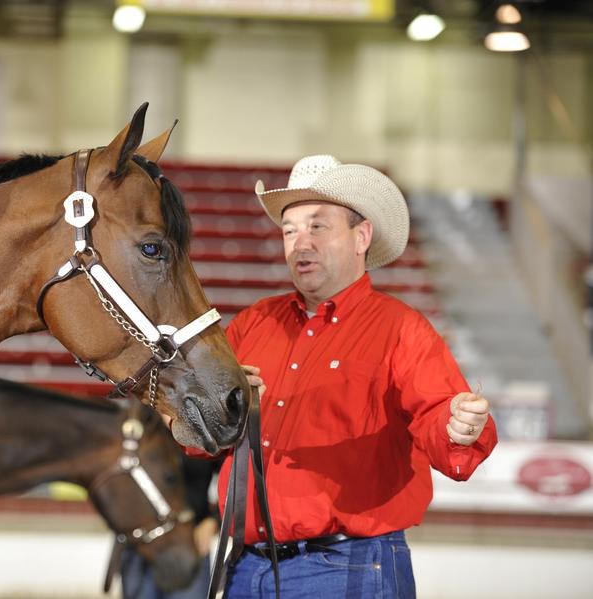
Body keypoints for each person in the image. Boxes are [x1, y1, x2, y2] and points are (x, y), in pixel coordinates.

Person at [178, 155, 498, 598]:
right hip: (246, 565)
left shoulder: (400, 328)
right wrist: (201, 414)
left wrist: (458, 428)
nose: (299, 243)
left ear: (361, 236)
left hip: (349, 564)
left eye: (317, 227)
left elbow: (440, 421)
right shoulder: (253, 323)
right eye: (289, 231)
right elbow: (200, 438)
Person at [120, 454, 219, 599]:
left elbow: (236, 475)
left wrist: (214, 520)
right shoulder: (133, 433)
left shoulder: (201, 433)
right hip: (141, 545)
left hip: (189, 544)